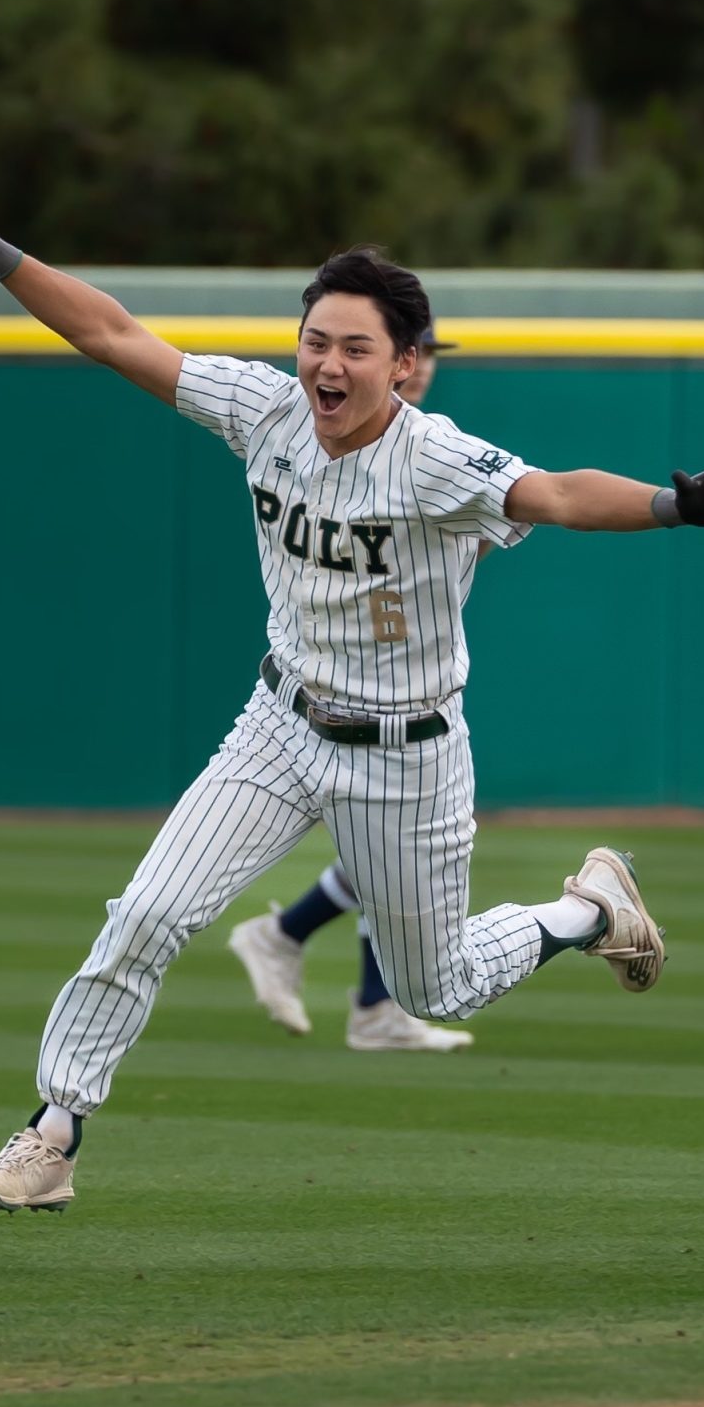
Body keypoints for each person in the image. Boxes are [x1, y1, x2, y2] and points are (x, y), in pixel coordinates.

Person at [0, 136, 704, 1213]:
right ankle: (51, 1135)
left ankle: (589, 910)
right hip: (278, 724)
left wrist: (670, 504)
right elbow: (112, 331)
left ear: (404, 362)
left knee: (434, 984)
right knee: (145, 913)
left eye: (354, 348)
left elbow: (550, 494)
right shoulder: (262, 409)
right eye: (315, 340)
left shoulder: (434, 457)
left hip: (407, 752)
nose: (327, 364)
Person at [228, 322, 480, 1054]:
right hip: (329, 693)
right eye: (419, 351)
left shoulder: (439, 450)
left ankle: (345, 981)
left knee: (391, 854)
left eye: (433, 353)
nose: (427, 366)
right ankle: (331, 972)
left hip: (406, 681)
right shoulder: (336, 441)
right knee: (393, 854)